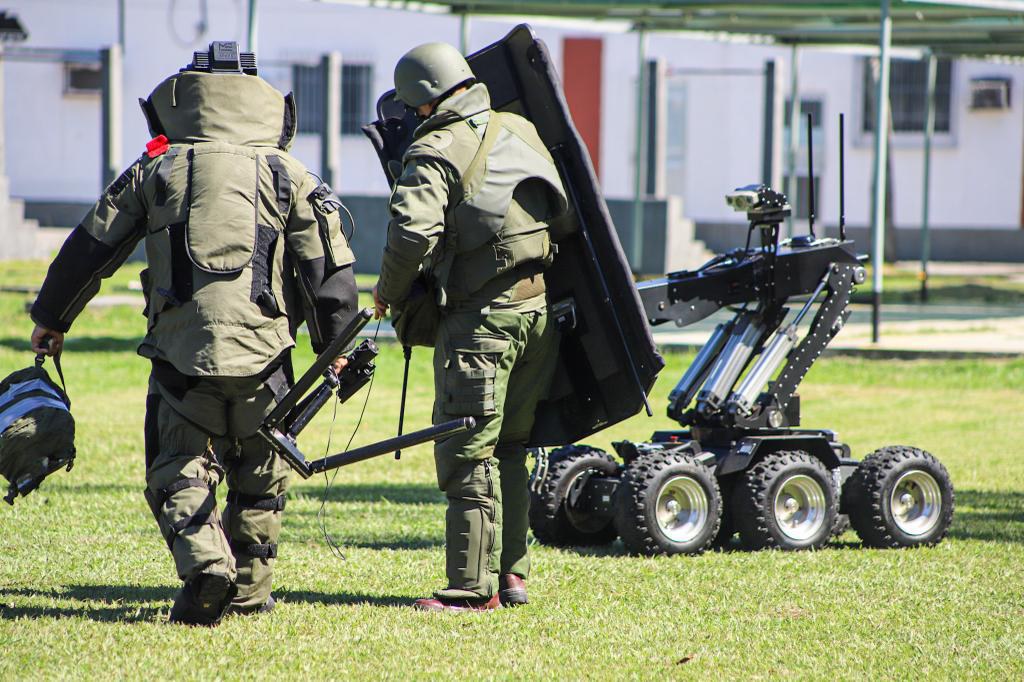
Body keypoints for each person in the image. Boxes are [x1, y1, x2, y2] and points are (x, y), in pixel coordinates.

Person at [29, 42, 358, 626]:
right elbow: (326, 268)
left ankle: (206, 563)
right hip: (268, 360)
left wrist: (53, 318)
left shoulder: (155, 167)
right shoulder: (291, 173)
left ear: (184, 98)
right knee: (259, 475)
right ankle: (251, 595)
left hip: (182, 358)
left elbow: (91, 248)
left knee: (178, 463)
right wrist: (335, 349)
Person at [373, 42, 567, 612]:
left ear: (419, 100)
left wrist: (387, 290)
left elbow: (410, 233)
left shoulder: (435, 147)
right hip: (538, 315)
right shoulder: (519, 127)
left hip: (482, 324)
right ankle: (512, 577)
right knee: (510, 447)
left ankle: (470, 589)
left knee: (467, 453)